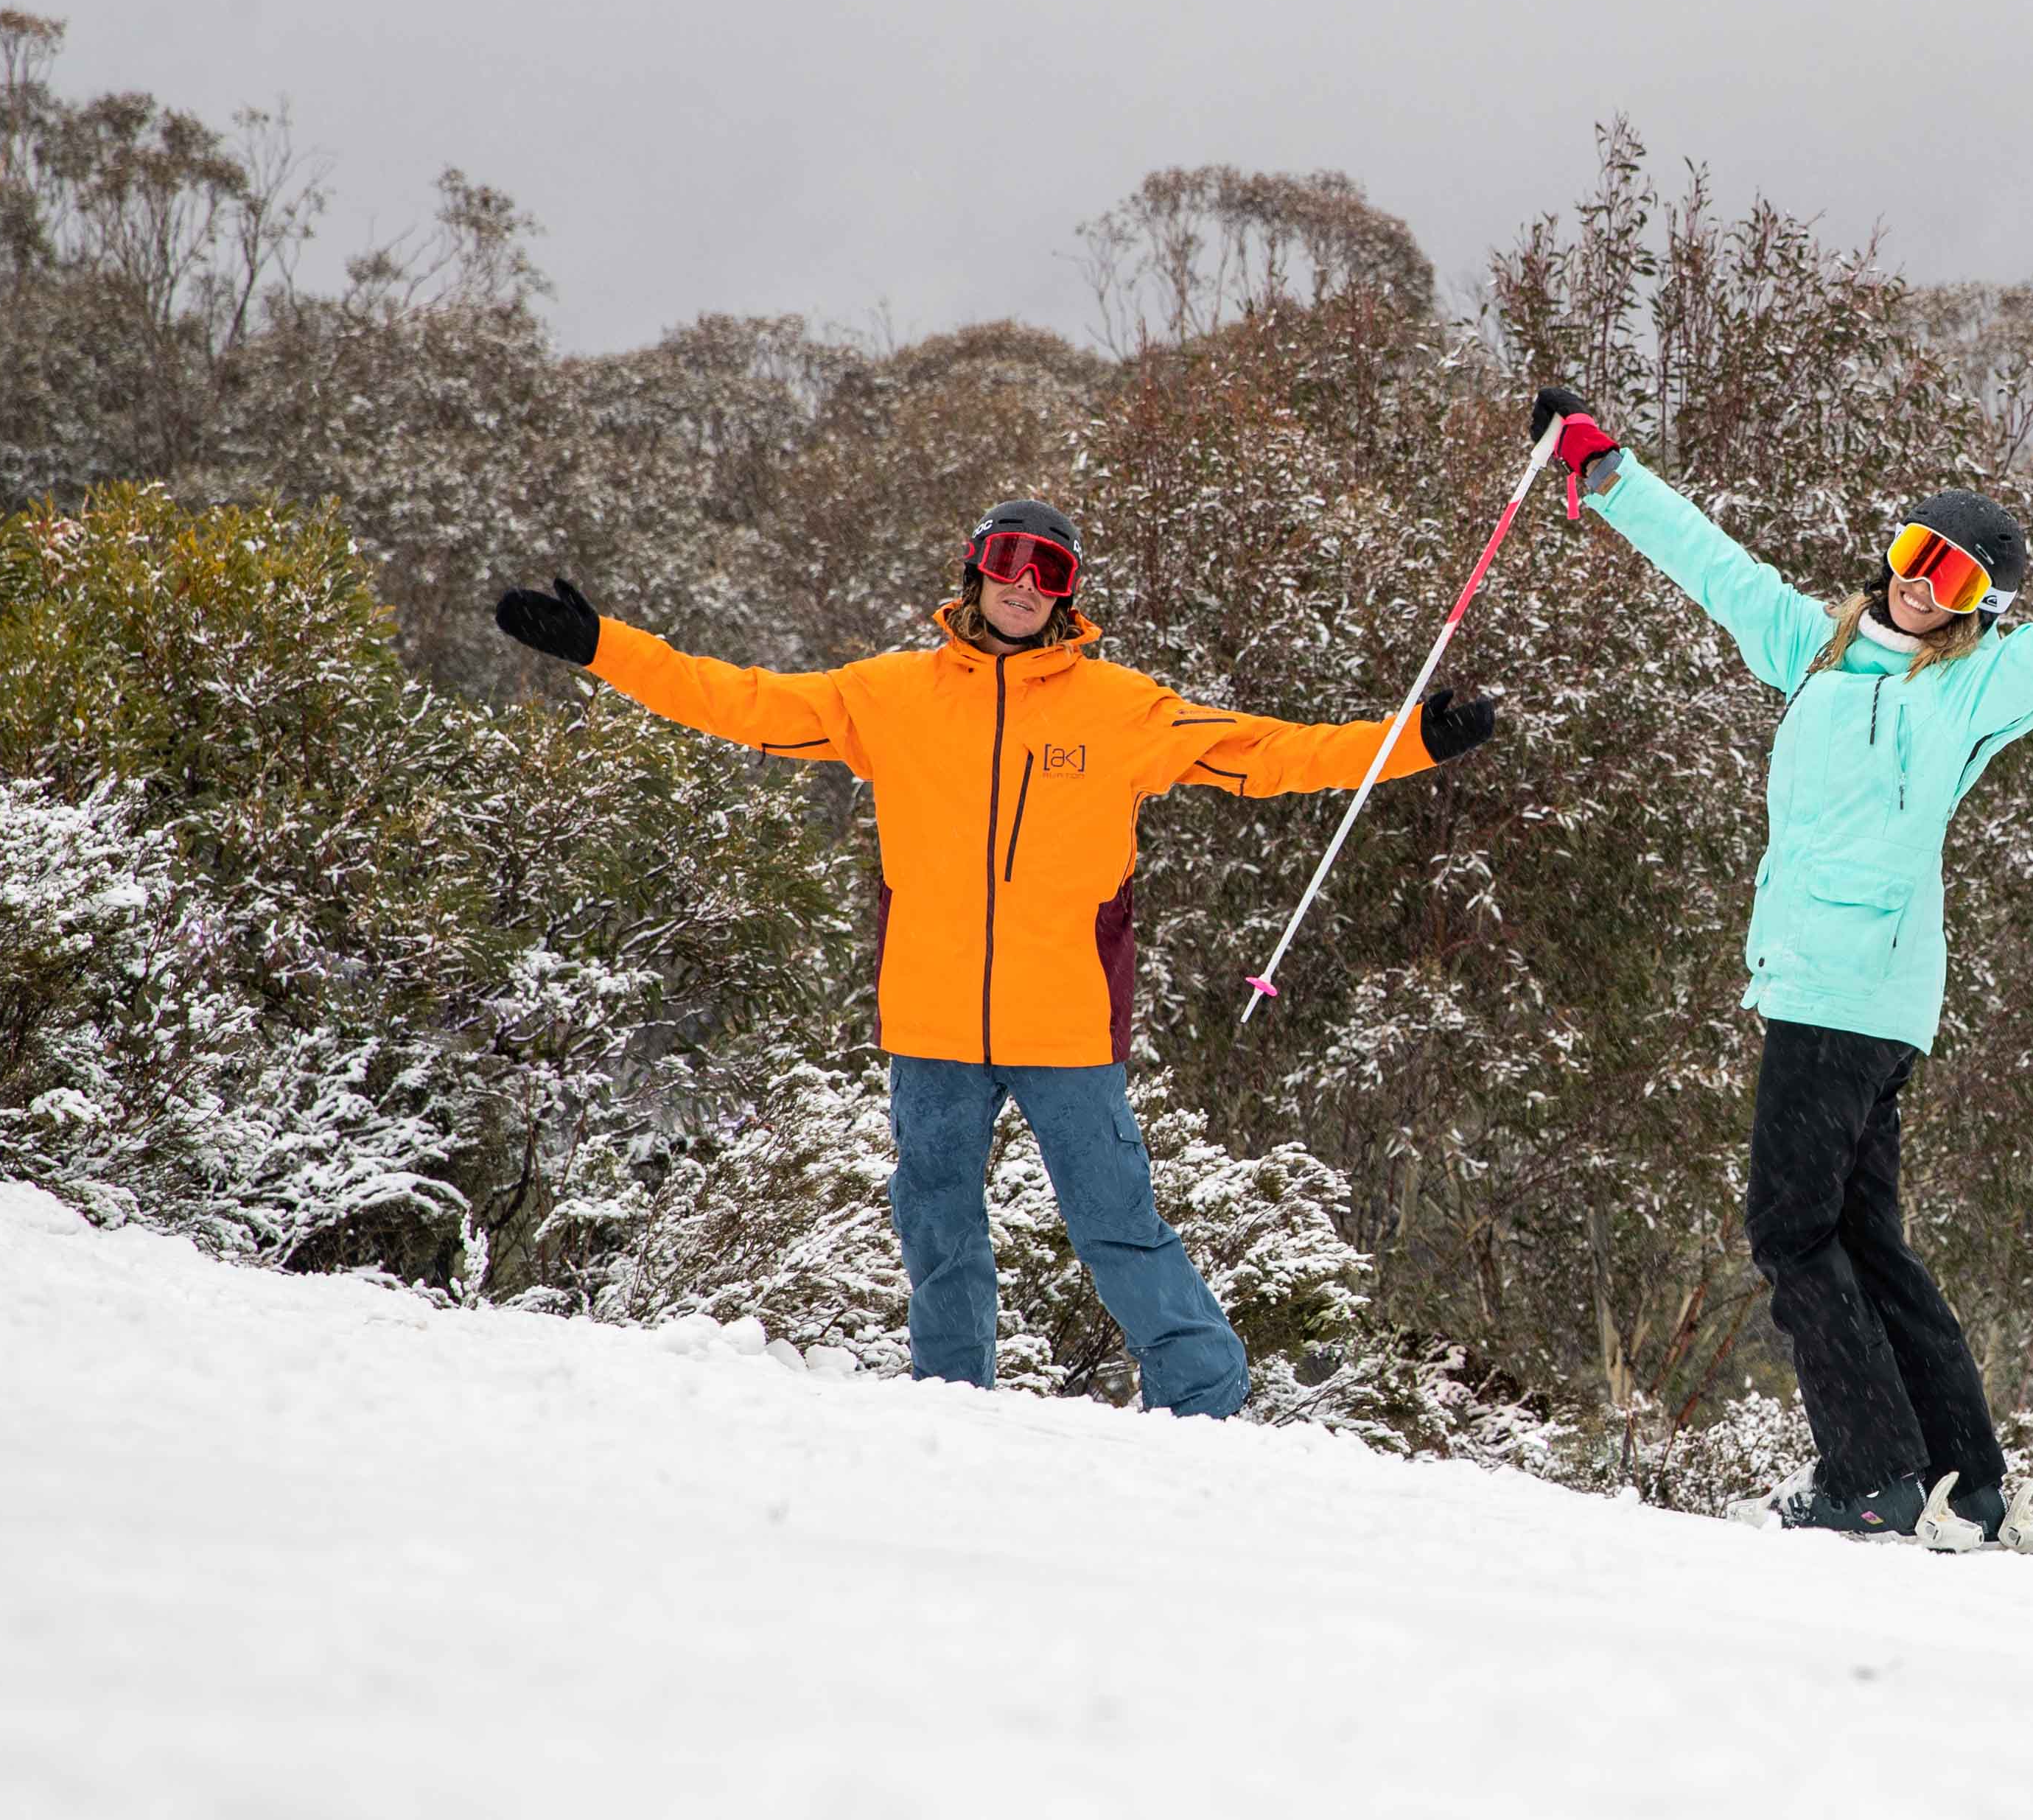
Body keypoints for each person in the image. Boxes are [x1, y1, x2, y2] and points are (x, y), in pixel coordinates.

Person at [492, 498, 1494, 1415]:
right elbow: (741, 701)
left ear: (1069, 597)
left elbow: (1274, 751)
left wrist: (1416, 742)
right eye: (1008, 562)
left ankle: (1202, 1400)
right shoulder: (888, 695)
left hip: (1063, 1021)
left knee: (1115, 1221)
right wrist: (601, 647)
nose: (1025, 583)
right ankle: (951, 1399)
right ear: (974, 574)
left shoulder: (1122, 709)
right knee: (936, 1220)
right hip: (933, 1017)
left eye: (1050, 570)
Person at [1529, 388, 2033, 1548]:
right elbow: (1717, 568)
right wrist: (1609, 477)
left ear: (1981, 607)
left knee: (1790, 1232)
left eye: (1956, 578)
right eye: (1918, 553)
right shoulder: (1813, 649)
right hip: (1834, 983)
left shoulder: (1970, 686)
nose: (1923, 582)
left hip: (1848, 989)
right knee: (1862, 1237)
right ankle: (1964, 1476)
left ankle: (1869, 1477)